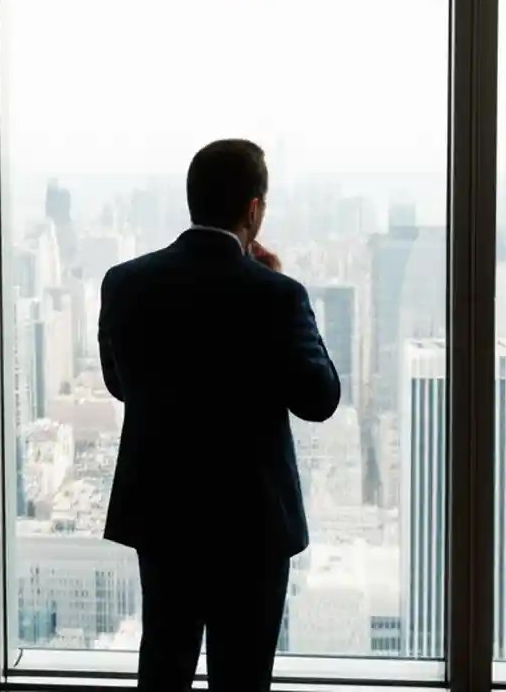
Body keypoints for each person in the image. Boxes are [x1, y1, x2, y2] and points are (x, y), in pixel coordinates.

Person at [98, 139, 341, 690]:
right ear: (254, 210)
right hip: (251, 526)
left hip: (164, 516)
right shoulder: (276, 295)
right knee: (242, 679)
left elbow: (120, 385)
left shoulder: (125, 283)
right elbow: (320, 398)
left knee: (163, 665)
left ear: (193, 201)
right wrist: (277, 289)